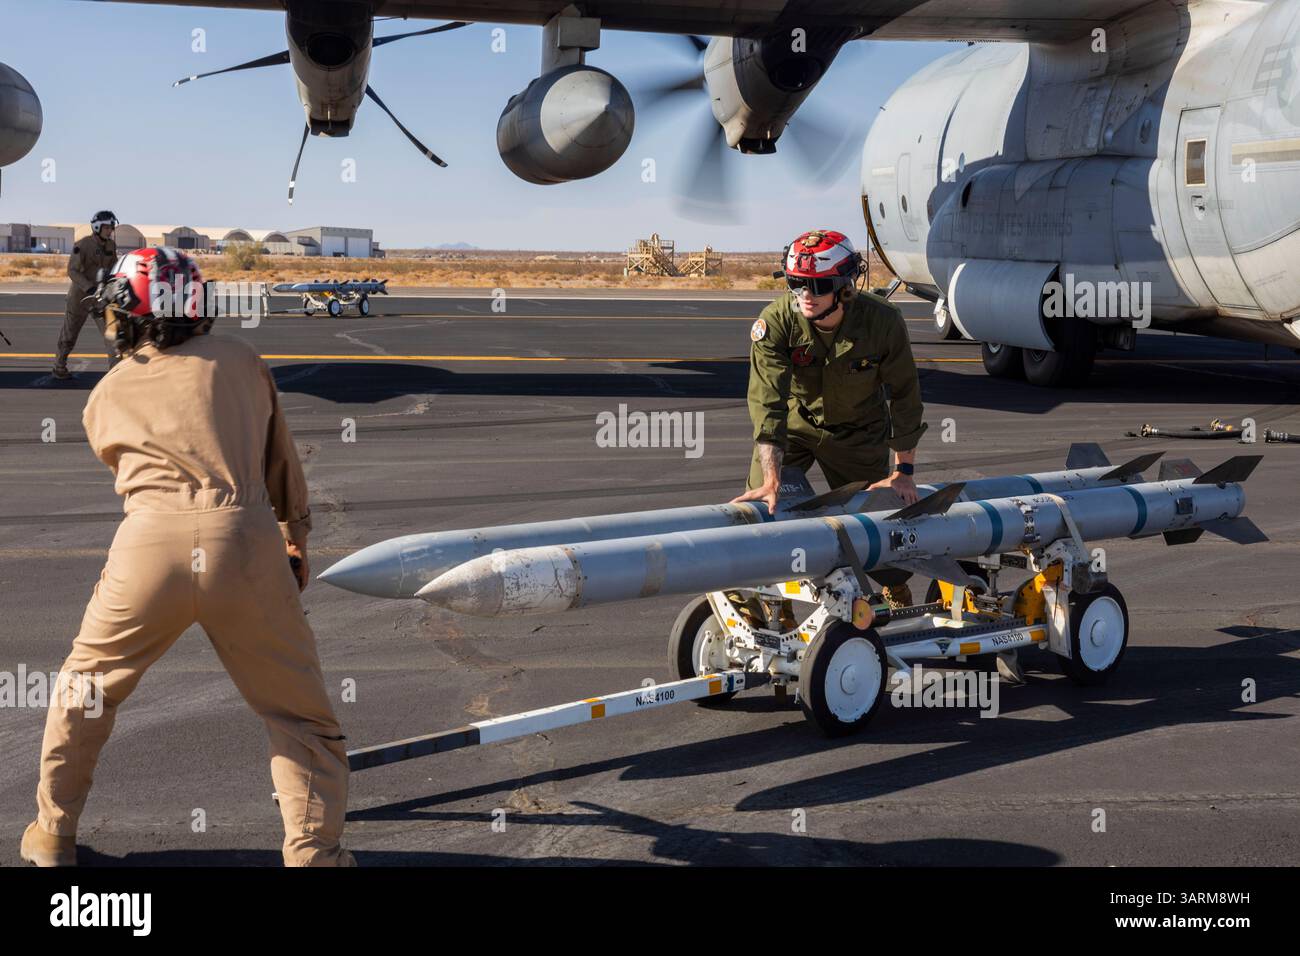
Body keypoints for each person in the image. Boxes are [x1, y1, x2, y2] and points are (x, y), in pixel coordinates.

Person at [21, 247, 353, 867]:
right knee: (297, 715)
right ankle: (315, 856)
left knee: (84, 691)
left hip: (148, 548)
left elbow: (120, 460)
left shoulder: (107, 392)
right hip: (245, 541)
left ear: (129, 313)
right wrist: (294, 538)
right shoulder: (240, 359)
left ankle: (52, 837)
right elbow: (279, 459)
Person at [732, 228, 927, 604]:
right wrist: (772, 477)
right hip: (797, 427)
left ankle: (894, 585)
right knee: (760, 510)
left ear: (845, 286)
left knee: (879, 526)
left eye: (818, 285)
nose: (805, 294)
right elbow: (767, 401)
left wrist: (904, 472)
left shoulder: (882, 322)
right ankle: (760, 604)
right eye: (797, 283)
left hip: (859, 433)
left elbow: (905, 396)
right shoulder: (776, 323)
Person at [53, 210, 120, 380]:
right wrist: (89, 287)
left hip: (101, 298)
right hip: (79, 298)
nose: (110, 230)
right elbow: (72, 270)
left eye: (111, 227)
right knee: (69, 334)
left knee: (111, 334)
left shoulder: (111, 246)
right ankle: (59, 367)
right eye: (106, 227)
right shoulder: (82, 245)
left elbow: (113, 268)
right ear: (97, 227)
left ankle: (115, 373)